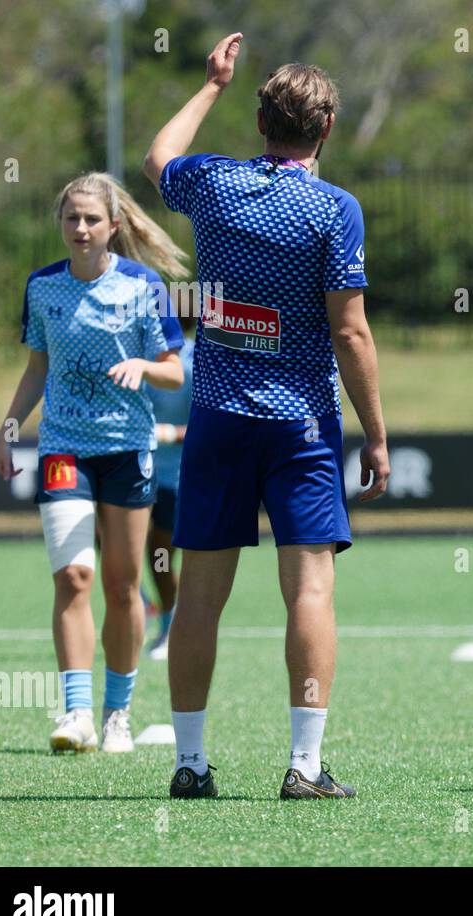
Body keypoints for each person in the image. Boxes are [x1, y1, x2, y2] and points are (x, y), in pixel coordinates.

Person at [143, 33, 390, 800]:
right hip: (300, 425)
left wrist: (212, 84)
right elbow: (349, 332)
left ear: (261, 125)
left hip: (216, 418)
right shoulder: (333, 211)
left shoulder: (213, 185)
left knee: (200, 596)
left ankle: (189, 765)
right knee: (310, 591)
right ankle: (306, 767)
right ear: (326, 130)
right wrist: (376, 434)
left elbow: (157, 159)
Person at [0, 172, 187, 754]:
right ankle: (77, 712)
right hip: (62, 451)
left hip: (128, 450)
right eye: (70, 218)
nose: (79, 228)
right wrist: (9, 429)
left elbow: (174, 369)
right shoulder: (43, 287)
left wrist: (144, 369)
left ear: (113, 226)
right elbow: (36, 369)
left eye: (90, 219)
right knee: (73, 576)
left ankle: (117, 713)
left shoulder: (144, 286)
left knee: (123, 583)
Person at [142, 313, 196, 662]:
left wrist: (170, 434)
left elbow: (212, 426)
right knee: (101, 534)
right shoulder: (139, 356)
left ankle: (169, 625)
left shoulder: (195, 361)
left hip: (175, 477)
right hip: (133, 470)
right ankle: (140, 602)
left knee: (160, 556)